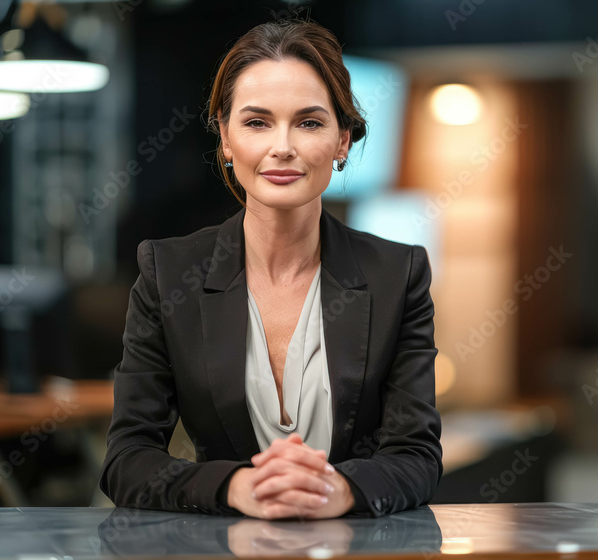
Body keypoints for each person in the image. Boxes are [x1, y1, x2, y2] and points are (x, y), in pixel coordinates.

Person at [98, 17, 443, 520]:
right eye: (257, 122)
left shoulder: (399, 273)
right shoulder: (168, 272)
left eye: (309, 122)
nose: (282, 146)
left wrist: (336, 489)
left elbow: (416, 457)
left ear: (343, 141)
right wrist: (238, 487)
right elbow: (126, 461)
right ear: (226, 138)